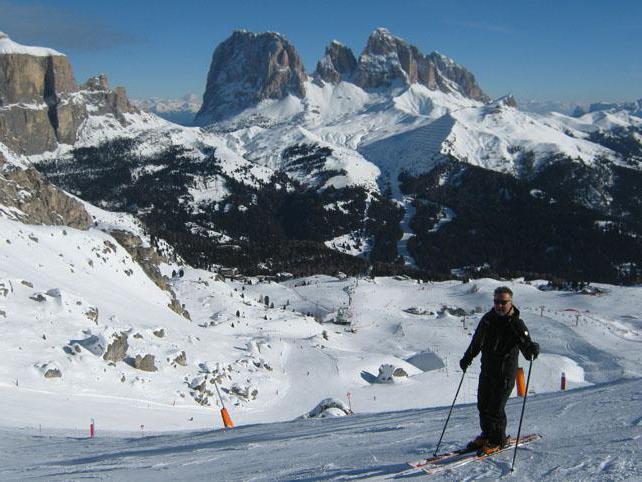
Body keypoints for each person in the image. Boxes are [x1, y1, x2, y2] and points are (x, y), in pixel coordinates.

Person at [459, 286, 540, 454]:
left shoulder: (516, 324)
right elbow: (477, 342)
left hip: (505, 374)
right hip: (487, 370)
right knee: (483, 405)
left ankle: (498, 440)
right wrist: (468, 357)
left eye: (503, 302)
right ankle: (487, 435)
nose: (499, 305)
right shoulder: (488, 319)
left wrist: (532, 349)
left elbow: (526, 347)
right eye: (496, 301)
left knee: (496, 408)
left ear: (511, 303)